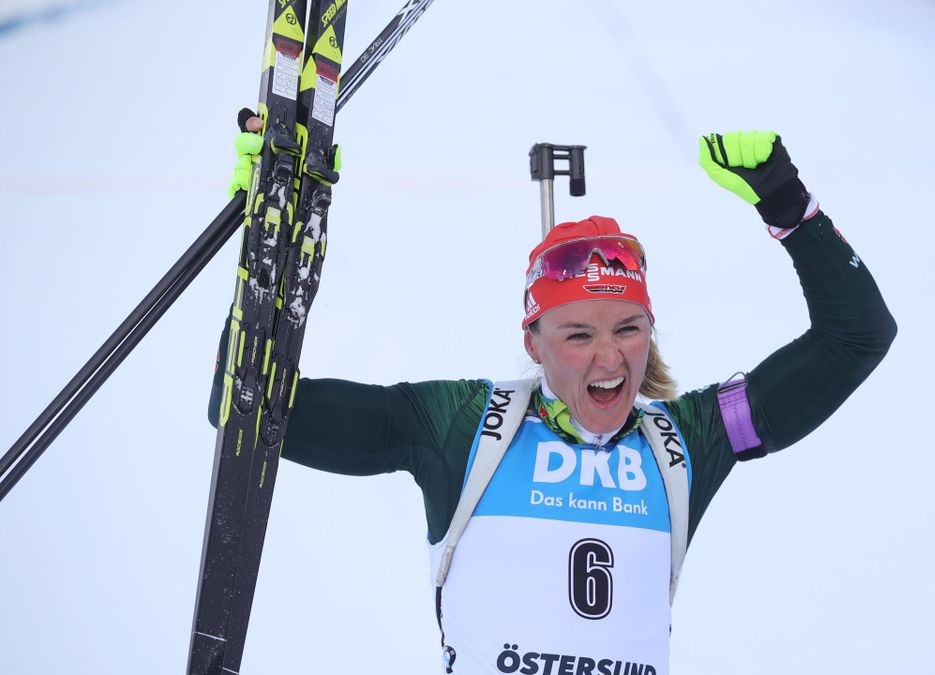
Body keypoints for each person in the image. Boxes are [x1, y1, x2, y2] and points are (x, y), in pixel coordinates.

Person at [212, 127, 897, 674]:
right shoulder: (463, 427)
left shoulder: (685, 442)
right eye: (579, 334)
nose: (610, 358)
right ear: (534, 341)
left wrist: (787, 202)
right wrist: (265, 243)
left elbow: (859, 336)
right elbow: (249, 405)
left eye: (629, 328)